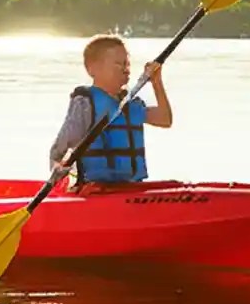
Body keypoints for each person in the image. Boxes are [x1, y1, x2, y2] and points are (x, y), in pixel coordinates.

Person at [48, 34, 173, 190]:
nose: (125, 69)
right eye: (118, 64)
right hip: (94, 190)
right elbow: (58, 151)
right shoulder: (86, 103)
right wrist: (58, 170)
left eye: (127, 63)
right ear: (92, 69)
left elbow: (165, 119)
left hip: (131, 188)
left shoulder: (130, 103)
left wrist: (157, 82)